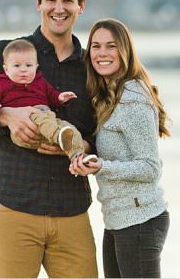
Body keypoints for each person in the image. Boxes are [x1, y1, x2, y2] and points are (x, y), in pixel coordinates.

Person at [0, 0, 99, 279]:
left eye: (68, 0)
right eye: (51, 0)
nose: (59, 8)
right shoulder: (4, 55)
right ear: (38, 4)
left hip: (72, 210)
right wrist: (5, 117)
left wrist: (85, 146)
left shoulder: (92, 67)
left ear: (81, 5)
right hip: (14, 206)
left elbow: (105, 135)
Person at [69, 19, 170, 279]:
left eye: (111, 46)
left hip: (139, 219)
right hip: (118, 219)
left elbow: (150, 168)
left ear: (125, 51)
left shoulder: (132, 97)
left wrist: (101, 166)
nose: (102, 53)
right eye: (96, 46)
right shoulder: (110, 95)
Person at [0, 37, 87, 160]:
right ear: (6, 69)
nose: (23, 69)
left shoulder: (40, 81)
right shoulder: (1, 83)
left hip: (48, 118)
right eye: (17, 65)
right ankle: (58, 136)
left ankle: (77, 156)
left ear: (36, 67)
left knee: (69, 128)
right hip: (28, 120)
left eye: (28, 65)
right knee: (44, 121)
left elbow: (51, 94)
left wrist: (60, 98)